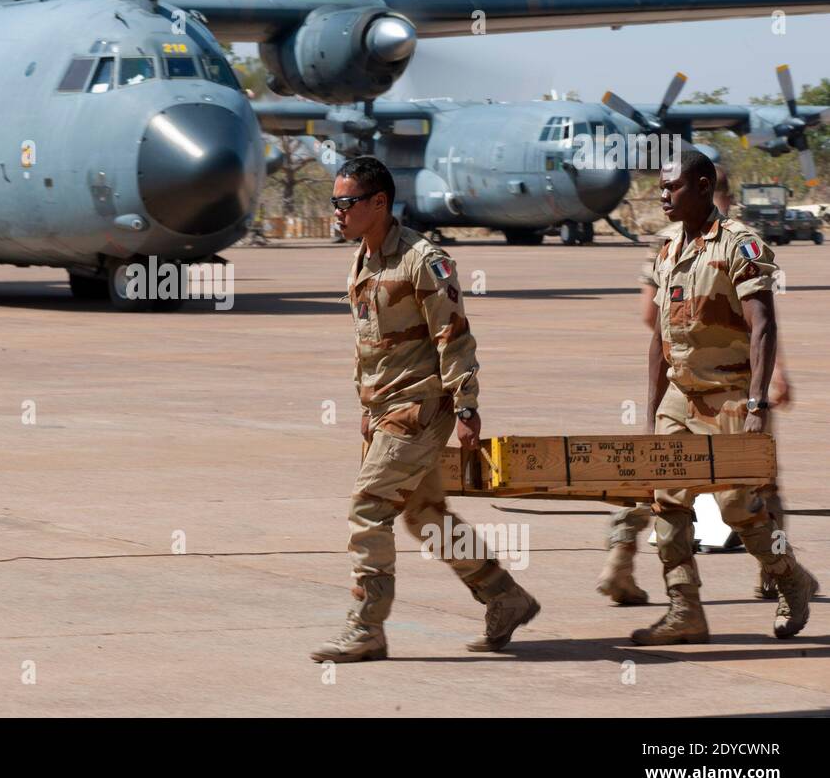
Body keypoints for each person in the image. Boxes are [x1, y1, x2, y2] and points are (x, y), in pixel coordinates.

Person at [310, 156, 540, 663]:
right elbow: (369, 343)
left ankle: (367, 627)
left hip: (418, 410)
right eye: (334, 203)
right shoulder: (364, 259)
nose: (338, 213)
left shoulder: (422, 258)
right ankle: (505, 597)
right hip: (385, 410)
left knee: (369, 507)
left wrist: (466, 407)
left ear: (378, 203)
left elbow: (453, 334)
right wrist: (365, 403)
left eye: (346, 203)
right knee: (424, 514)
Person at [597, 163, 807, 604]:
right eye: (661, 188)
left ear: (704, 187)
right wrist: (653, 412)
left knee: (738, 505)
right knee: (666, 499)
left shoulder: (741, 244)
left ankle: (789, 577)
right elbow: (658, 335)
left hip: (729, 393)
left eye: (672, 187)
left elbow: (763, 324)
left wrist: (756, 405)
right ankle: (684, 609)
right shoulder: (668, 246)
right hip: (680, 394)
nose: (663, 196)